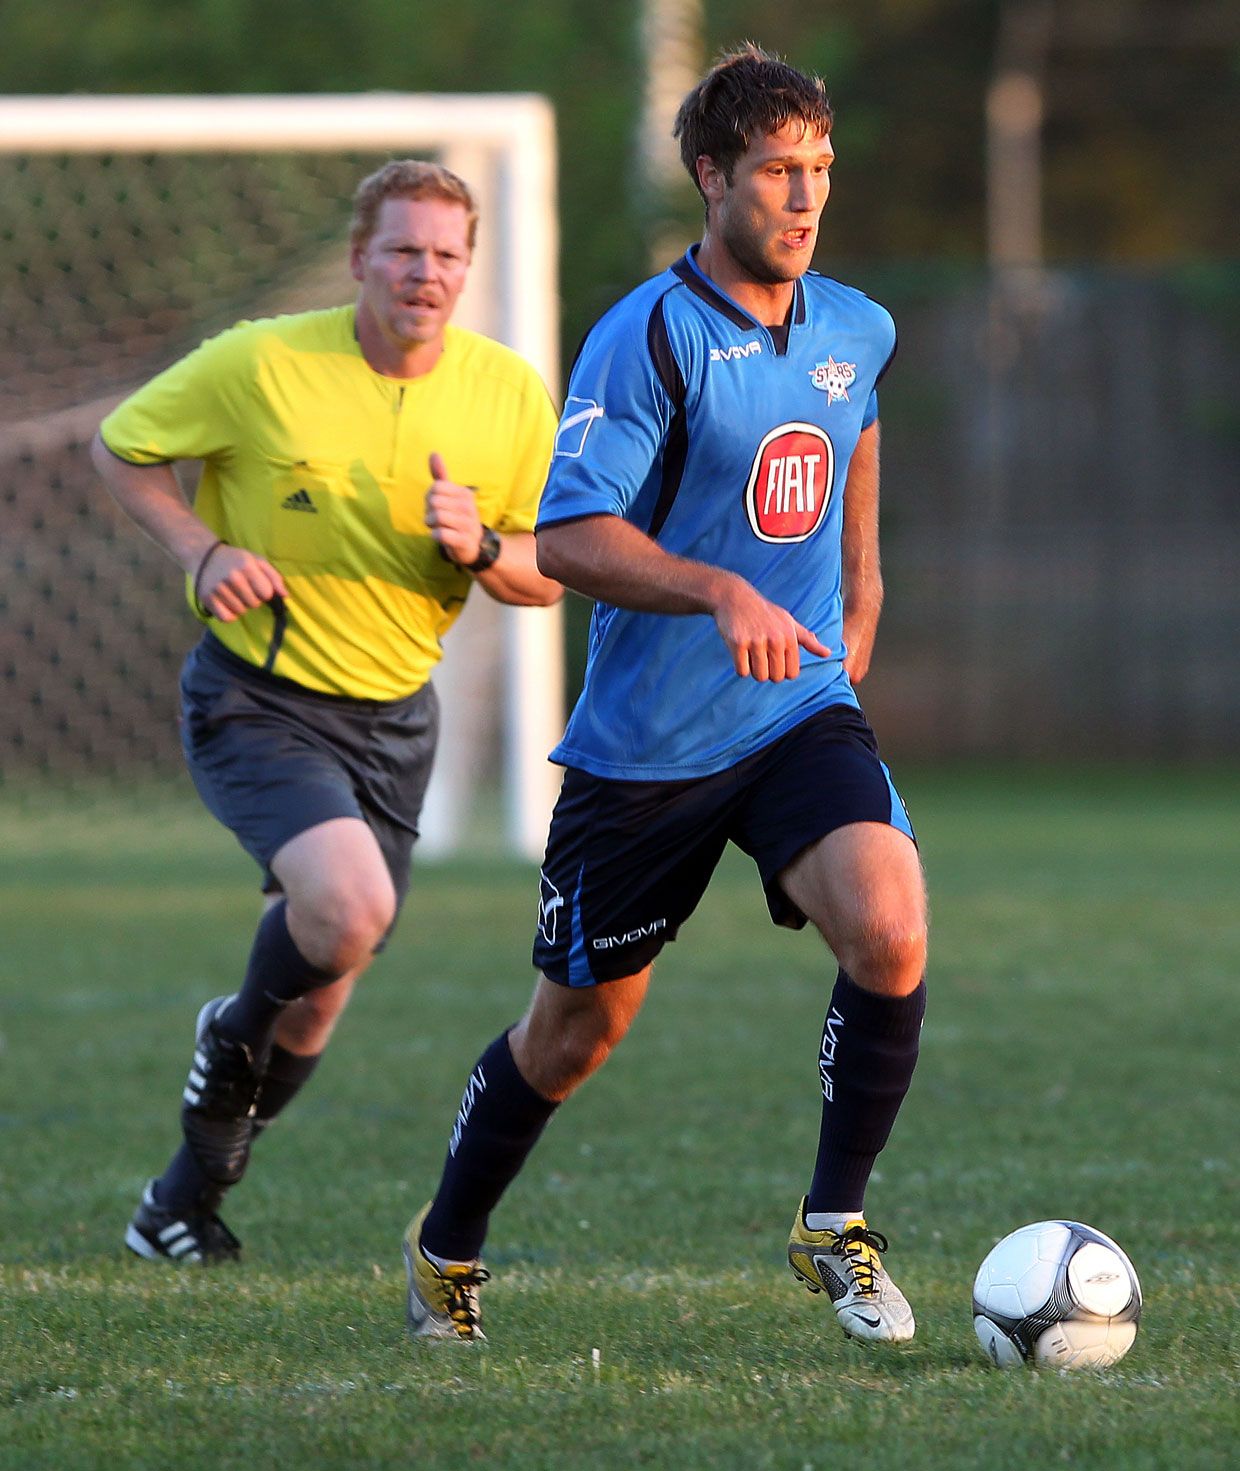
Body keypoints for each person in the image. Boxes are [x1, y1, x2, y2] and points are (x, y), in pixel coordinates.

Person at [401, 44, 929, 1346]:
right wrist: (719, 592)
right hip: (646, 752)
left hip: (797, 709)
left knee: (893, 927)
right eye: (776, 172)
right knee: (573, 1035)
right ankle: (445, 1248)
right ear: (711, 175)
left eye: (820, 171)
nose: (805, 199)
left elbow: (851, 424)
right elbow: (572, 537)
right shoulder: (646, 336)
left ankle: (833, 1224)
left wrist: (859, 590)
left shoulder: (856, 322)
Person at [90, 159, 562, 1264]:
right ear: (359, 260)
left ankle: (176, 1205)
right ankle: (228, 1030)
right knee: (343, 912)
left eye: (448, 254)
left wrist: (483, 545)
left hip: (397, 718)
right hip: (259, 697)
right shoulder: (261, 362)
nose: (425, 273)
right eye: (404, 249)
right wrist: (202, 549)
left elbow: (553, 569)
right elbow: (121, 448)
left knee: (319, 1000)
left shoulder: (506, 395)